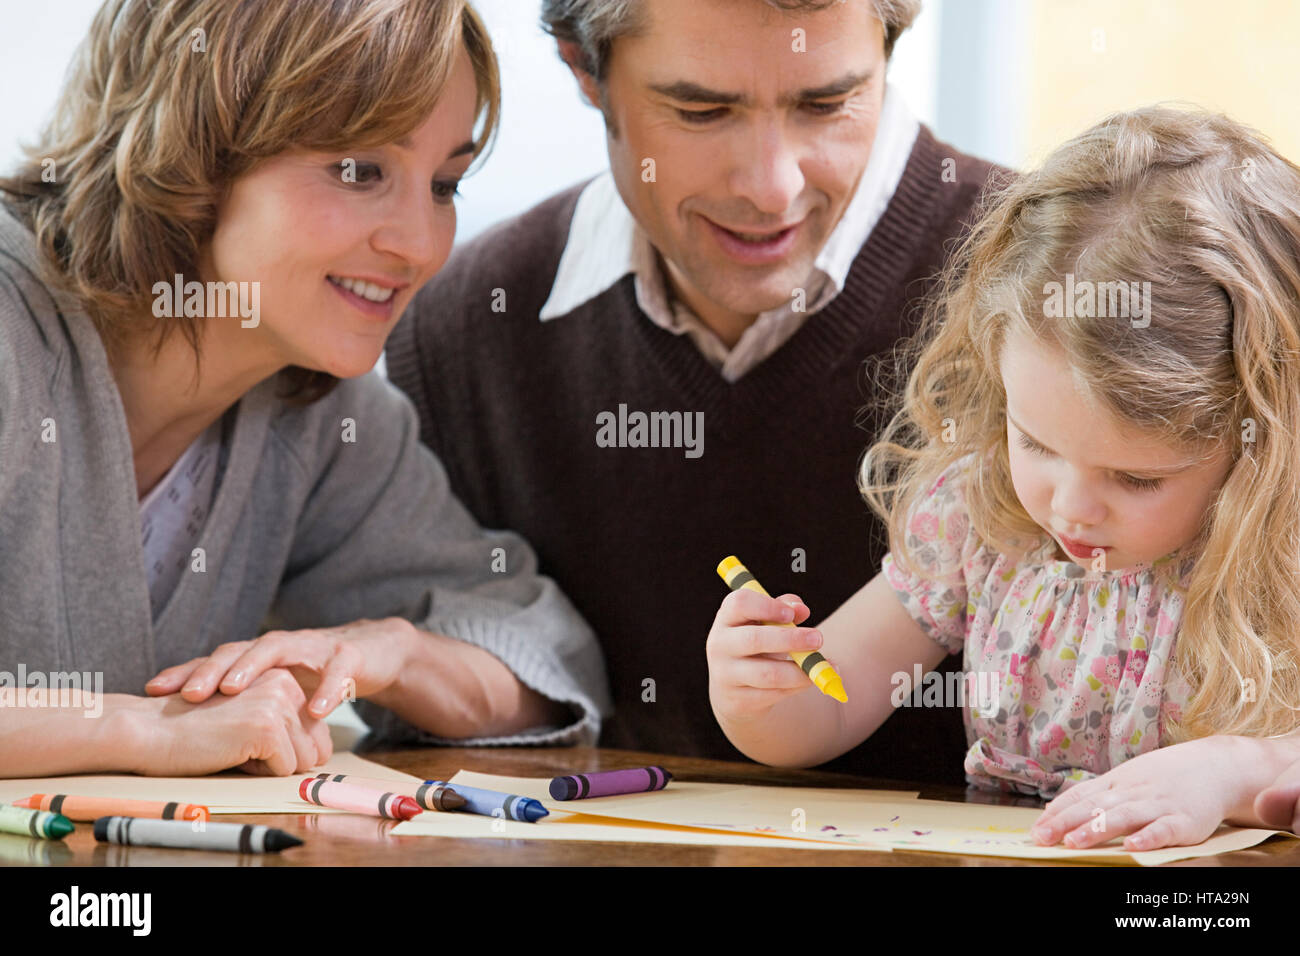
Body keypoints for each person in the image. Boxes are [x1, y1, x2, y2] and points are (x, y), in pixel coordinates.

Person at [384, 0, 1007, 784]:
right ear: (585, 72)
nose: (772, 189)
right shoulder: (463, 330)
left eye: (826, 104)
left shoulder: (1055, 295)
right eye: (702, 111)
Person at [0, 0, 611, 778]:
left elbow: (546, 664)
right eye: (359, 171)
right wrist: (141, 731)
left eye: (445, 184)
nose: (420, 245)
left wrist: (394, 652)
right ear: (195, 150)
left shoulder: (321, 413)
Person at [707, 105, 1300, 850]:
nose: (1073, 508)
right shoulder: (979, 512)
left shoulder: (1281, 548)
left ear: (1265, 441)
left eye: (1136, 479)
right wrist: (760, 693)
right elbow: (828, 708)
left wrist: (1233, 771)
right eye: (1037, 443)